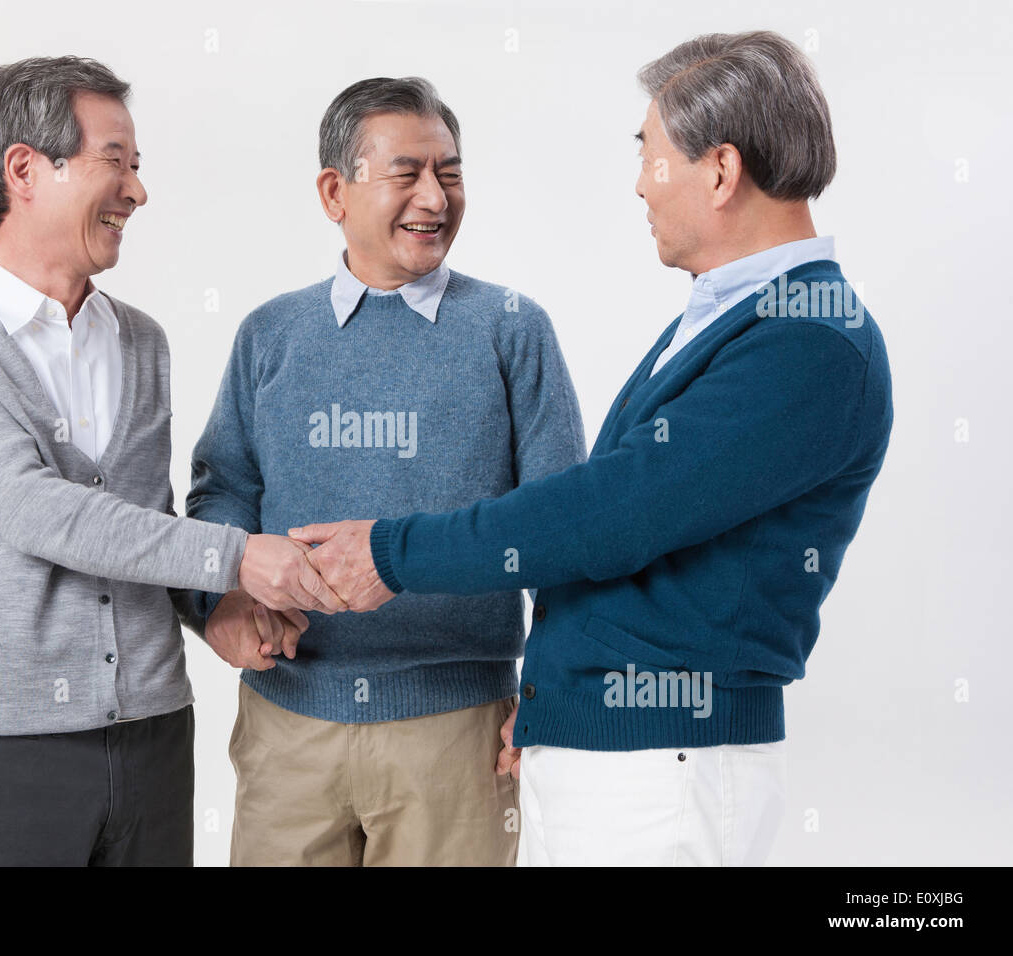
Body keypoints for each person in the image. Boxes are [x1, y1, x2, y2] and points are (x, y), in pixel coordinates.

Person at [291, 31, 893, 867]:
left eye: (650, 155)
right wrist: (547, 700)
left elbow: (609, 515)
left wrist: (391, 551)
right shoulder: (734, 316)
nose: (639, 184)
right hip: (622, 763)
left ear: (719, 171)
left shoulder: (810, 339)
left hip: (659, 771)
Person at [0, 55, 341, 866]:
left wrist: (212, 609)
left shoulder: (141, 340)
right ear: (25, 169)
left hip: (153, 744)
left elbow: (141, 525)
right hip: (0, 750)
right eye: (114, 161)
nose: (137, 190)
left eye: (138, 166)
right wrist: (242, 558)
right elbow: (35, 508)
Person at [186, 76, 586, 866]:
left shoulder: (512, 331)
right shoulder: (270, 334)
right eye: (407, 173)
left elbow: (562, 528)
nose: (435, 199)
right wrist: (217, 603)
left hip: (457, 734)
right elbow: (222, 488)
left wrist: (552, 687)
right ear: (335, 191)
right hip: (286, 726)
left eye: (452, 172)